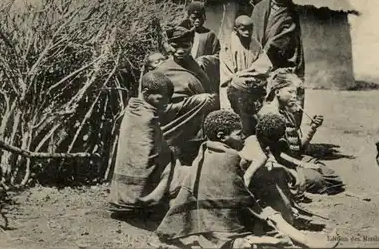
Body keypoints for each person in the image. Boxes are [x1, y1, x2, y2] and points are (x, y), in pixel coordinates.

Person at [156, 110, 338, 249]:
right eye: (238, 134)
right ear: (222, 136)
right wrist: (261, 209)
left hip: (203, 218)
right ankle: (307, 242)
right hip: (224, 224)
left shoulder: (206, 150)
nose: (243, 137)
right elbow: (241, 193)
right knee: (269, 213)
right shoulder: (229, 158)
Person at [109, 72, 188, 213]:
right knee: (182, 176)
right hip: (140, 188)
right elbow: (148, 155)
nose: (166, 103)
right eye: (161, 98)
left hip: (122, 194)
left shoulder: (133, 109)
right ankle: (153, 205)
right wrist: (170, 155)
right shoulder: (146, 117)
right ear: (146, 93)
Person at [258, 68, 344, 195]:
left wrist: (313, 128)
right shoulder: (269, 114)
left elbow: (299, 148)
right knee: (318, 180)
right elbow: (275, 152)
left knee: (333, 177)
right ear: (277, 92)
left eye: (296, 92)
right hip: (280, 162)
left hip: (295, 158)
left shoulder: (288, 113)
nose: (294, 96)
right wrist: (302, 165)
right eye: (290, 91)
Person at [154, 26, 219, 165]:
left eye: (185, 46)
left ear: (192, 44)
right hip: (175, 134)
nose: (180, 51)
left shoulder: (195, 66)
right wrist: (194, 101)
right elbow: (159, 109)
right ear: (168, 45)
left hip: (198, 132)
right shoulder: (162, 72)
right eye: (175, 46)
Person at [251, 0, 305, 123]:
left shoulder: (291, 11)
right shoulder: (259, 8)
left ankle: (288, 133)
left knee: (286, 93)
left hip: (283, 59)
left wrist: (271, 47)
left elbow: (288, 34)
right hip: (262, 58)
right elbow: (254, 33)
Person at [220, 15, 263, 108]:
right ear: (235, 29)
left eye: (250, 29)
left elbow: (264, 65)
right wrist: (239, 77)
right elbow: (226, 72)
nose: (247, 32)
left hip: (251, 84)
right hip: (233, 85)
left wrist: (250, 76)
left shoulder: (256, 45)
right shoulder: (228, 45)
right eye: (243, 29)